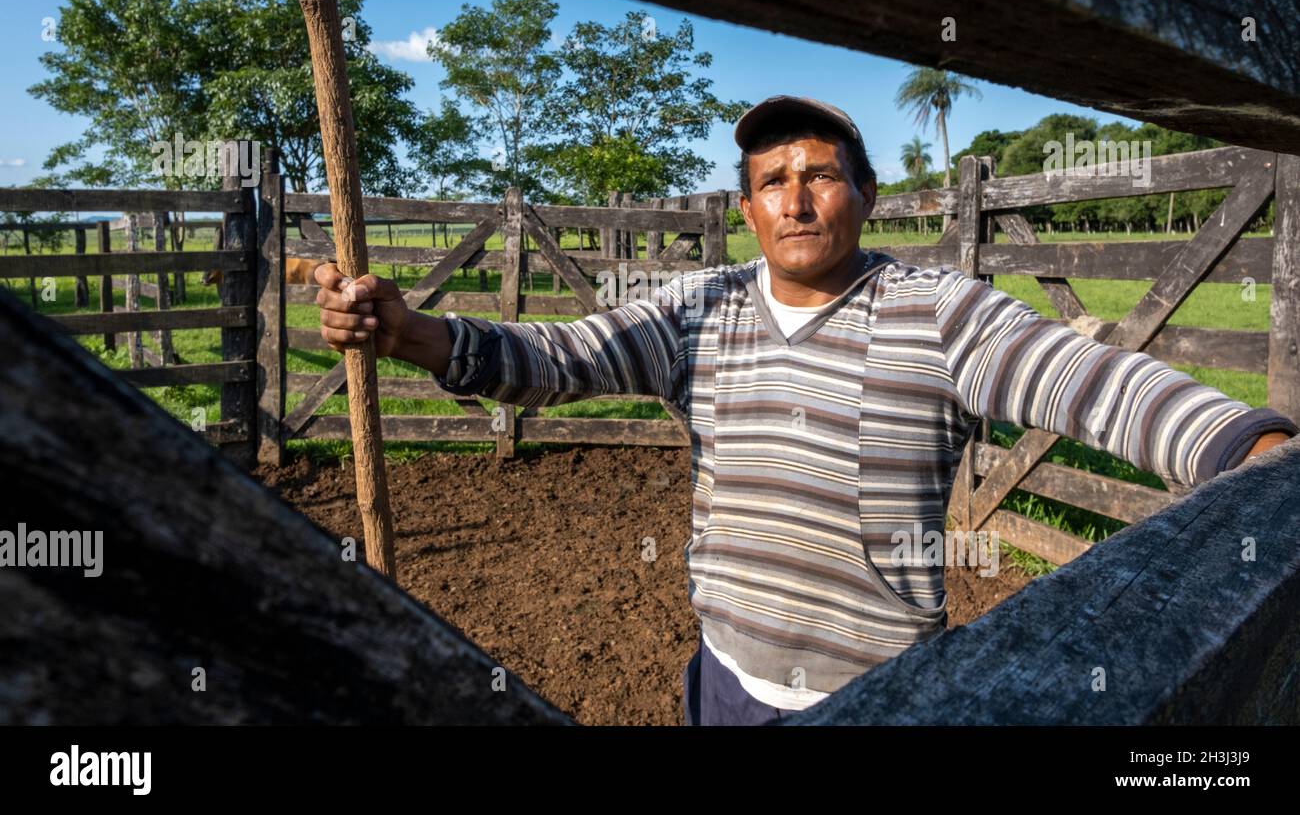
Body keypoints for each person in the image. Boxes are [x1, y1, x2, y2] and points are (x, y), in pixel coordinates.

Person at [313, 95, 1296, 726]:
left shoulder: (937, 313)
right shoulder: (697, 310)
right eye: (771, 182)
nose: (795, 199)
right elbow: (560, 356)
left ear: (865, 193)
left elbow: (1097, 383)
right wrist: (413, 334)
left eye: (819, 174)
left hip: (883, 696)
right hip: (724, 684)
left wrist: (1249, 449)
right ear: (747, 210)